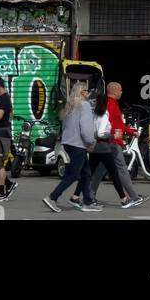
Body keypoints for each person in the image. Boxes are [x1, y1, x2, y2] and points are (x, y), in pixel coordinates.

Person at [42, 81, 101, 213]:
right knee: (73, 174)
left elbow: (64, 127)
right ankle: (52, 197)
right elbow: (86, 129)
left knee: (86, 173)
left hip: (68, 143)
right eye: (86, 91)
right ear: (82, 92)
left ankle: (88, 201)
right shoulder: (84, 106)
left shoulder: (70, 106)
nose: (89, 94)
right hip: (78, 144)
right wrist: (90, 142)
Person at [86, 83, 144, 208]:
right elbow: (110, 125)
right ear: (115, 90)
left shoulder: (109, 103)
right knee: (121, 168)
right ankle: (133, 197)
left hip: (107, 142)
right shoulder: (111, 104)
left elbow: (117, 124)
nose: (122, 92)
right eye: (121, 90)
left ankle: (90, 196)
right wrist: (116, 137)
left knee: (100, 170)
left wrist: (130, 131)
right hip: (111, 143)